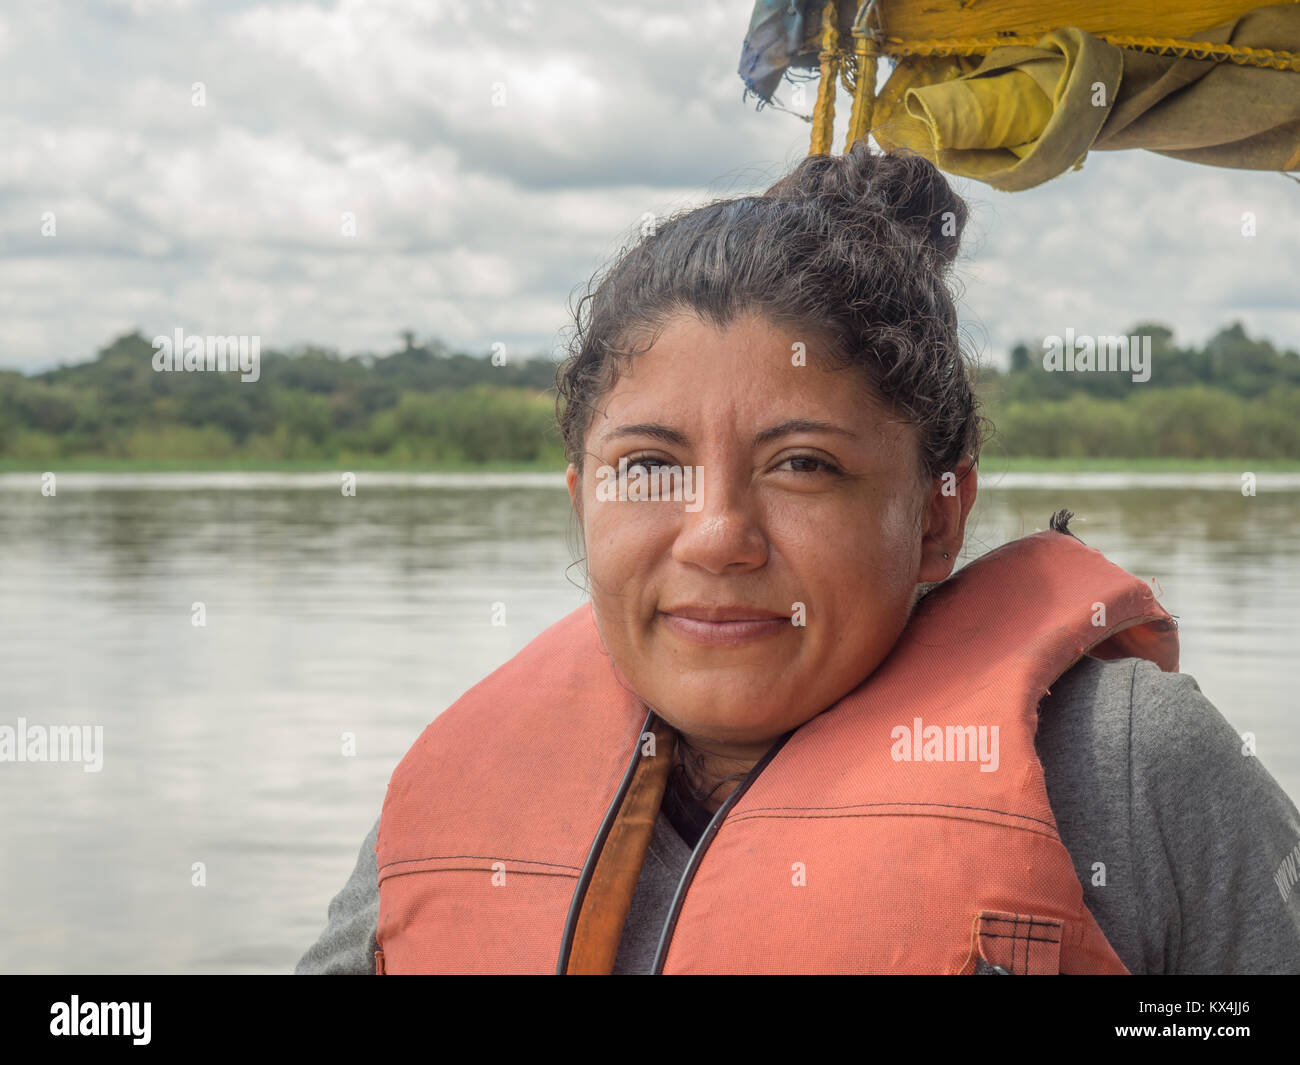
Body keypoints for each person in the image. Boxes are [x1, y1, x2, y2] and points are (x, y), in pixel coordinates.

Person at [296, 143, 1300, 975]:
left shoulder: (1122, 766)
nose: (716, 536)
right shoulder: (471, 783)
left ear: (939, 517)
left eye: (804, 465)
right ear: (583, 501)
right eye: (648, 465)